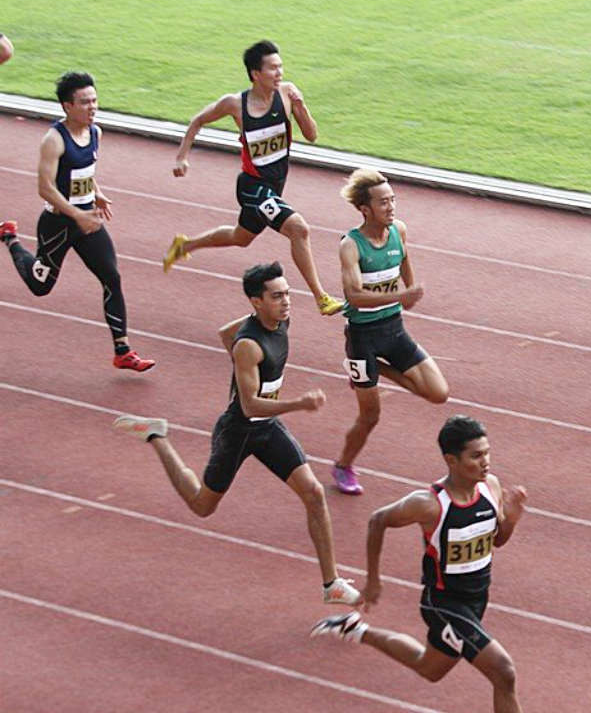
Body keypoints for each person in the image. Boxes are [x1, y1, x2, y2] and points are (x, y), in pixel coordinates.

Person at [111, 261, 361, 606]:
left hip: (267, 428)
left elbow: (224, 333)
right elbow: (250, 405)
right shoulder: (248, 347)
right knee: (202, 506)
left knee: (314, 493)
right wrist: (298, 403)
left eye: (287, 294)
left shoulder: (279, 322)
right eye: (277, 296)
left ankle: (331, 584)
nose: (286, 301)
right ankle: (157, 436)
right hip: (239, 430)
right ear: (257, 301)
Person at [311, 415, 527, 713]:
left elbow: (497, 541)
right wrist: (373, 581)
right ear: (451, 460)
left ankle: (355, 629)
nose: (485, 462)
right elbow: (378, 520)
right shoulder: (429, 504)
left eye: (487, 453)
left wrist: (510, 521)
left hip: (477, 600)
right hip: (443, 603)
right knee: (503, 672)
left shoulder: (491, 487)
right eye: (476, 456)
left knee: (429, 668)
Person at [163, 39, 342, 316]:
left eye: (281, 67)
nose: (279, 73)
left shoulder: (287, 94)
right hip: (252, 187)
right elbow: (198, 120)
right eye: (273, 68)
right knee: (299, 229)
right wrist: (181, 157)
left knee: (241, 237)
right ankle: (321, 297)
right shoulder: (236, 104)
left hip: (275, 186)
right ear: (256, 74)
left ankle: (185, 245)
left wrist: (301, 107)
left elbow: (312, 135)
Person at [1, 71, 154, 372]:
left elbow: (85, 172)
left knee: (111, 278)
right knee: (40, 286)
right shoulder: (54, 140)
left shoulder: (95, 133)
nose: (92, 107)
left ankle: (122, 350)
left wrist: (97, 194)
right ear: (67, 106)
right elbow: (45, 188)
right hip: (58, 224)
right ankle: (10, 238)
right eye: (85, 102)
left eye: (94, 100)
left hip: (87, 222)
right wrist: (77, 214)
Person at [329, 169, 449, 495]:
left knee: (438, 392)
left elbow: (405, 263)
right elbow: (354, 296)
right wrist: (400, 296)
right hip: (362, 338)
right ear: (364, 209)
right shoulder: (351, 246)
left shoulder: (399, 231)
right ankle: (342, 466)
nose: (391, 206)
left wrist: (410, 288)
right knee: (370, 416)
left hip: (394, 330)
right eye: (383, 202)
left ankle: (377, 370)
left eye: (392, 199)